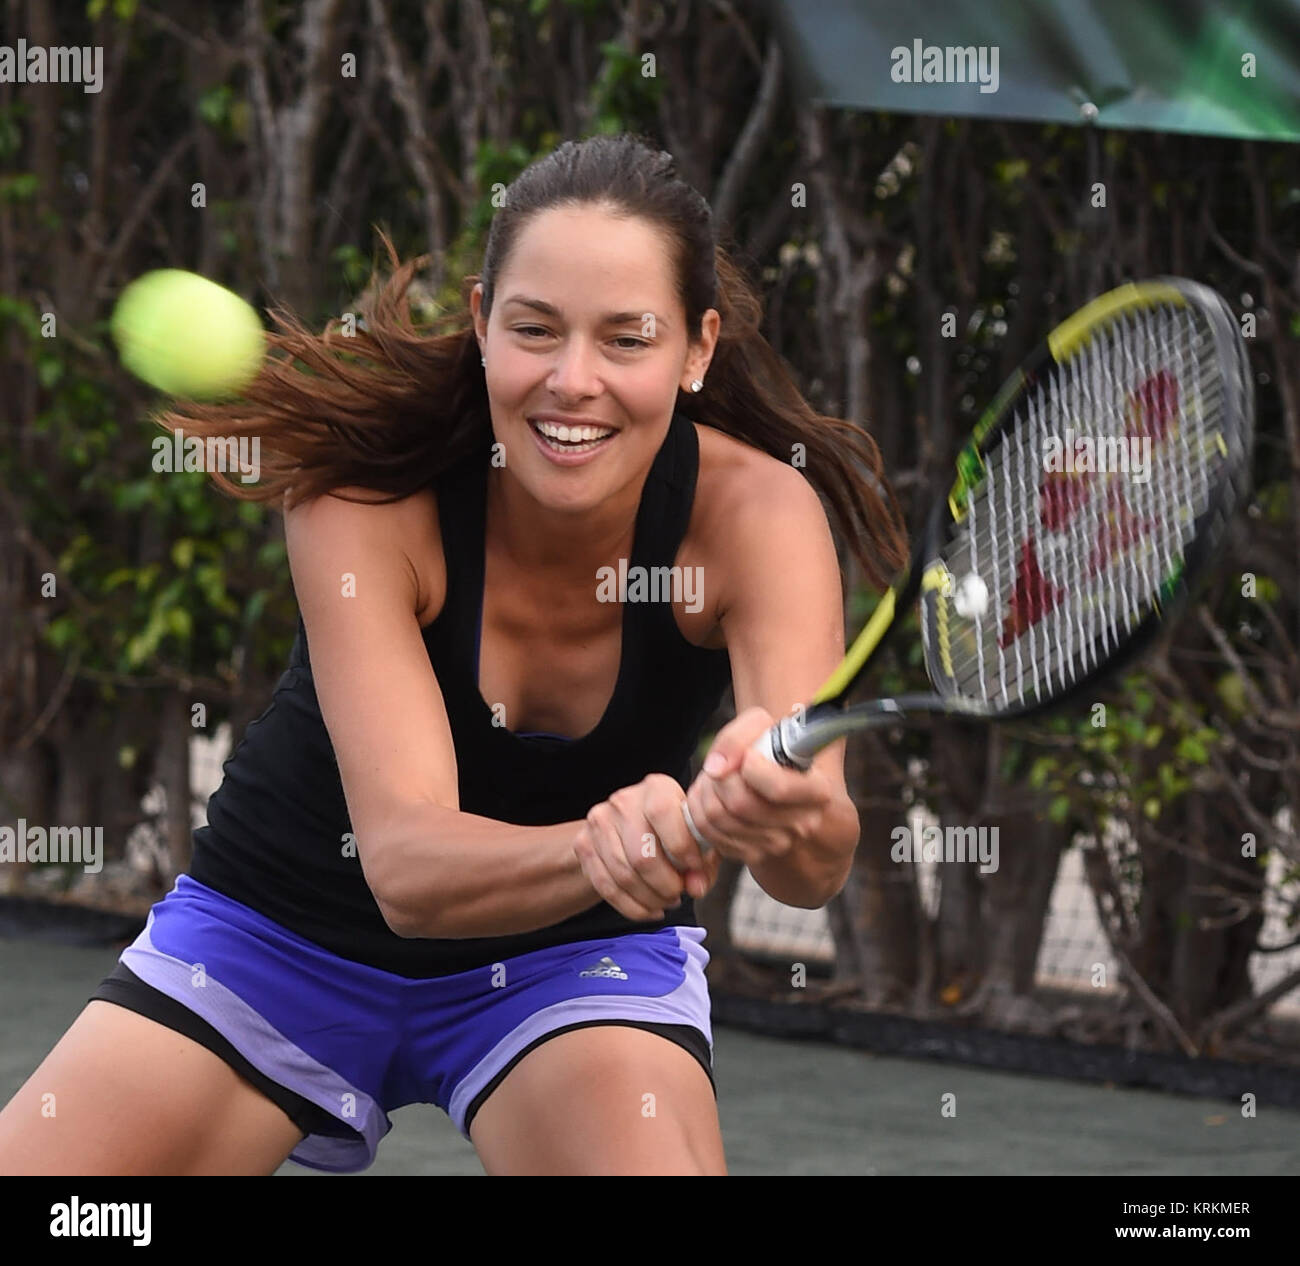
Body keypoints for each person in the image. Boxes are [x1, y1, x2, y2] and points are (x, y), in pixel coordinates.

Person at [0, 132, 905, 1176]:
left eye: (626, 339)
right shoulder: (360, 491)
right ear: (481, 321)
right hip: (274, 937)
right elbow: (408, 870)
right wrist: (605, 845)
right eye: (534, 330)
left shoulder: (756, 515)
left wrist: (776, 812)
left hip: (574, 961)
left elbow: (809, 872)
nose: (573, 382)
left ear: (696, 349)